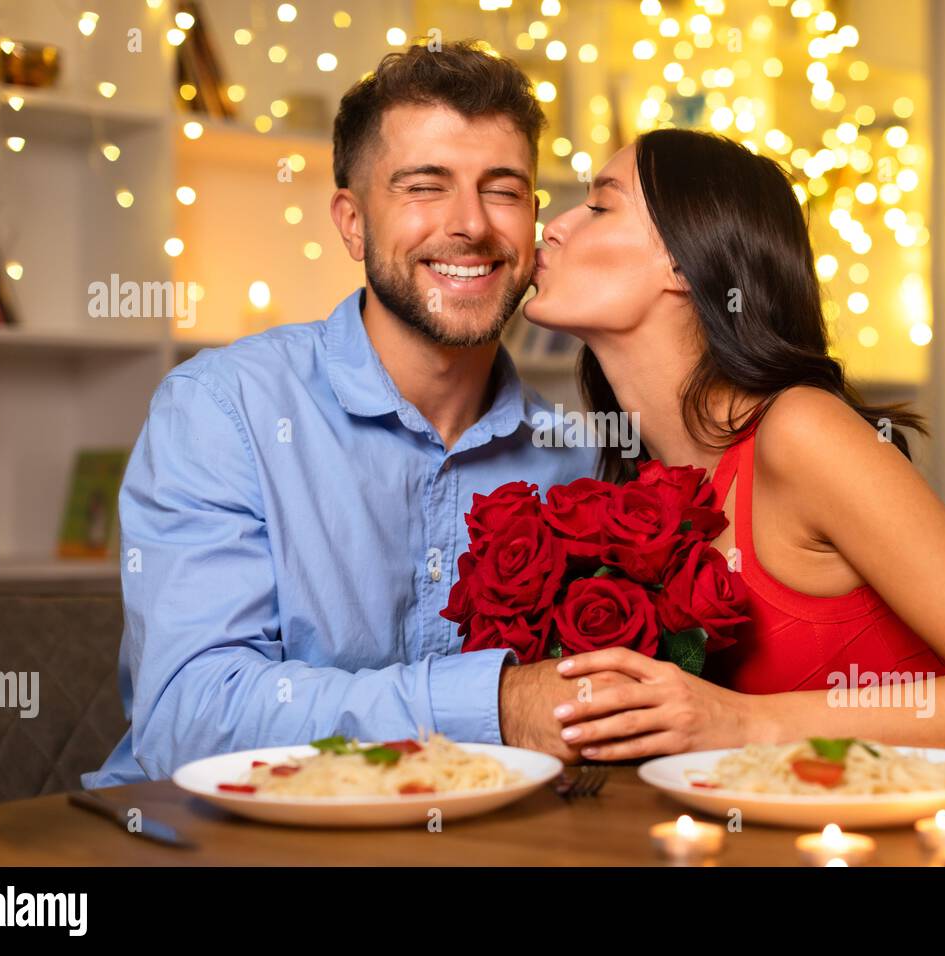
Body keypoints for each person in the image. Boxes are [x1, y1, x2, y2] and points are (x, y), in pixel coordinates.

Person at [84, 41, 621, 788]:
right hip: (210, 846)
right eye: (424, 187)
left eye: (502, 190)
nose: (470, 225)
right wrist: (492, 702)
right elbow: (191, 718)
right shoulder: (220, 411)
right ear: (352, 222)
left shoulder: (578, 456)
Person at [523, 128, 945, 761]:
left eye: (600, 206)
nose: (552, 226)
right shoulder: (635, 484)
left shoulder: (800, 432)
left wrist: (742, 722)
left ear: (686, 264)